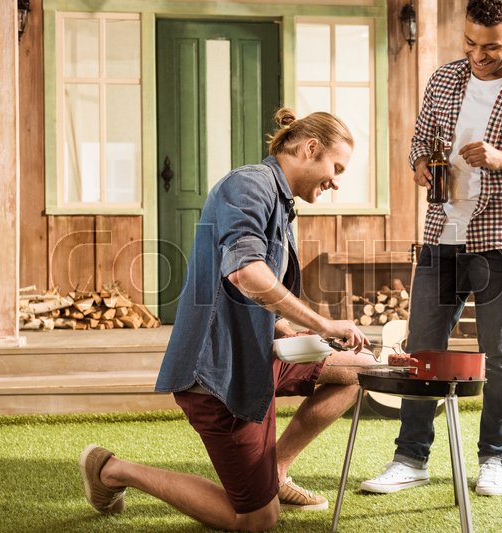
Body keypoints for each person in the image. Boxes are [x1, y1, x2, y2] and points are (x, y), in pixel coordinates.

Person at [78, 108, 373, 532]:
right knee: (256, 521)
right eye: (336, 167)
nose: (336, 181)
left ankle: (276, 472)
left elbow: (239, 288)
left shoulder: (279, 200)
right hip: (220, 374)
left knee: (360, 371)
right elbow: (244, 272)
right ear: (311, 148)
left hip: (255, 356)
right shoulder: (249, 186)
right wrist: (325, 325)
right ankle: (111, 470)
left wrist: (280, 326)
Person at [361, 0, 502, 497]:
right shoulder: (444, 80)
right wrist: (419, 164)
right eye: (470, 43)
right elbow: (420, 141)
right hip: (443, 234)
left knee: (498, 353)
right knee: (421, 348)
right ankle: (410, 458)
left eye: (491, 47)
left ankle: (492, 459)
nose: (478, 55)